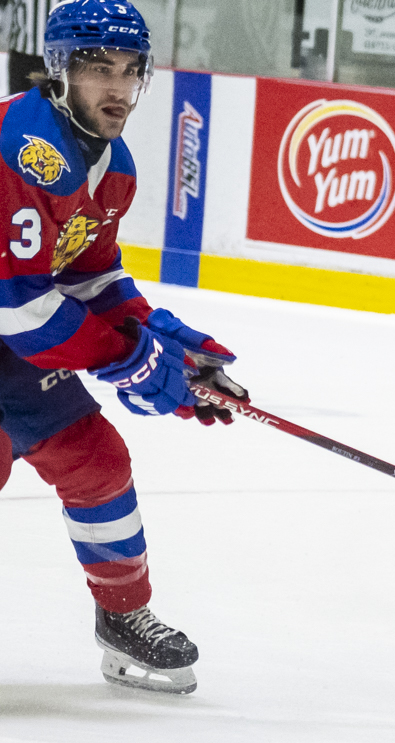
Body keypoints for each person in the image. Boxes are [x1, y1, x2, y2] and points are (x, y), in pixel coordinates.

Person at [0, 0, 240, 695]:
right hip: (12, 322)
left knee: (96, 461)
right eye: (98, 68)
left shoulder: (112, 163)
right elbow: (19, 306)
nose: (117, 88)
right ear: (59, 71)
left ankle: (123, 619)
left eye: (130, 71)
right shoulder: (27, 148)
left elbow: (84, 275)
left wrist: (158, 337)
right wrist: (127, 358)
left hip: (11, 336)